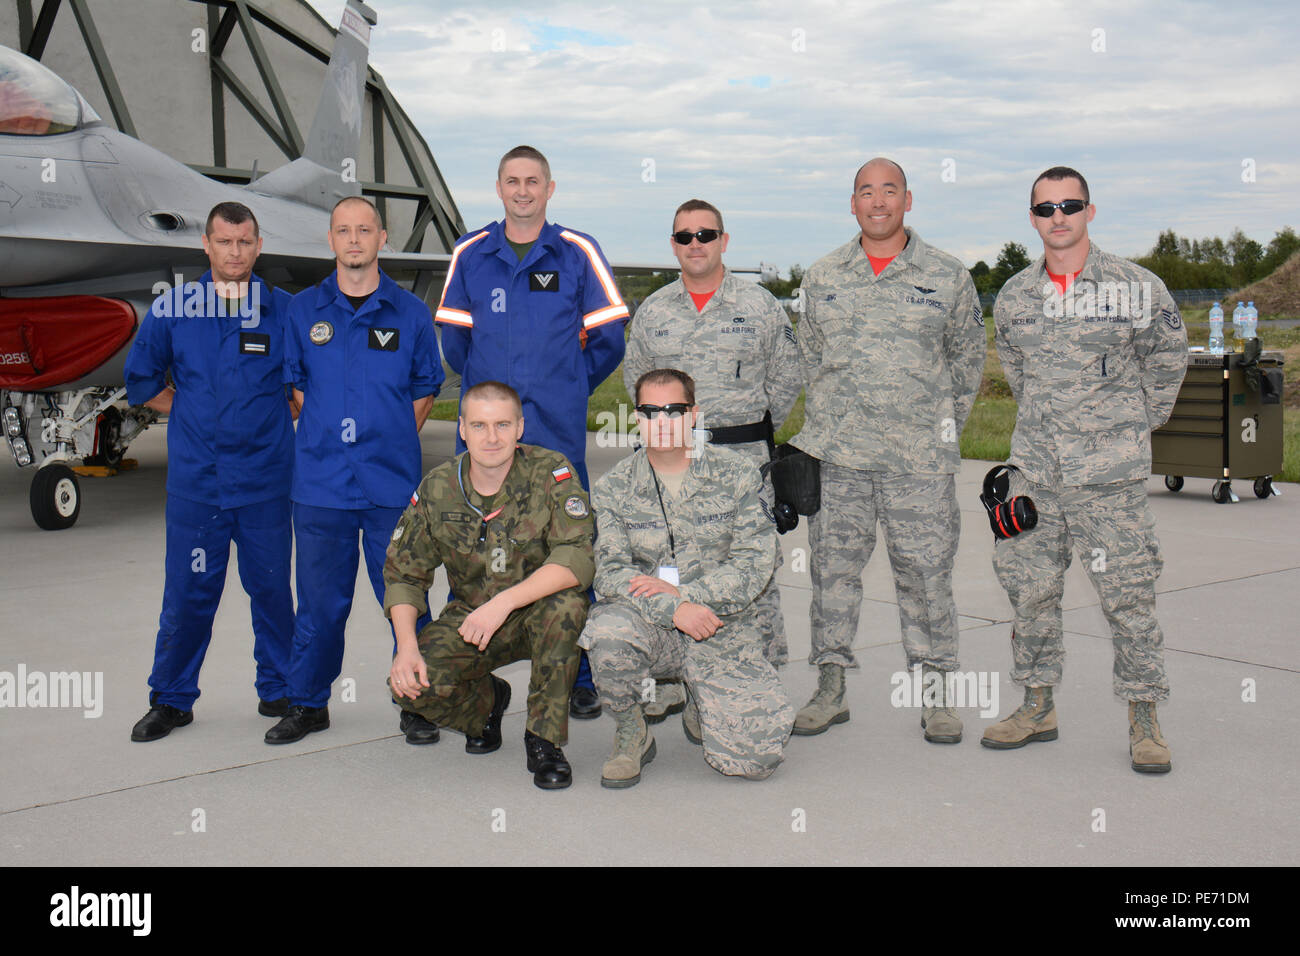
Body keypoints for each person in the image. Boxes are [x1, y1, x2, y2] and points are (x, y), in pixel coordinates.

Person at [983, 166, 1186, 773]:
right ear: (1033, 219)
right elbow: (1020, 376)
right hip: (1037, 479)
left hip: (1110, 483)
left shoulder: (1136, 287)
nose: (1058, 217)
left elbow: (1168, 363)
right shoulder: (1015, 297)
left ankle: (1145, 719)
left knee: (1129, 600)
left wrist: (1126, 429)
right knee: (1031, 596)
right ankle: (1037, 706)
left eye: (1070, 205)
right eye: (1045, 208)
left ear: (1090, 212)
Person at [792, 157, 985, 742]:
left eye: (889, 191)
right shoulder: (823, 277)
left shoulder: (948, 276)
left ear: (908, 200)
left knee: (926, 578)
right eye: (865, 192)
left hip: (918, 465)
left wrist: (932, 433)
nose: (878, 202)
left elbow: (968, 364)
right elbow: (809, 359)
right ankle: (830, 687)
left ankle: (936, 693)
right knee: (831, 576)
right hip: (840, 459)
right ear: (852, 204)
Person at [435, 144, 629, 720]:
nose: (523, 191)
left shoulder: (576, 252)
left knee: (569, 553)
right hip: (487, 441)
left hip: (556, 434)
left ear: (550, 189)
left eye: (533, 182)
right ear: (498, 188)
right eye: (512, 181)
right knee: (472, 554)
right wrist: (487, 402)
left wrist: (567, 385)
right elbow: (454, 343)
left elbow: (610, 337)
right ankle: (468, 673)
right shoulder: (470, 253)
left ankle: (580, 673)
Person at [266, 196, 443, 744]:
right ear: (331, 240)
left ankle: (417, 701)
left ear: (381, 238)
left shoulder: (410, 312)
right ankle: (308, 703)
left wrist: (384, 438)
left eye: (364, 230)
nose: (354, 240)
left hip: (390, 486)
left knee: (406, 595)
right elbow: (296, 391)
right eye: (343, 231)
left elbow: (424, 390)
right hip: (319, 487)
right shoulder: (302, 311)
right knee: (319, 604)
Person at [622, 199, 801, 720]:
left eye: (706, 234)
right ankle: (670, 676)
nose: (695, 244)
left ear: (725, 240)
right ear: (673, 245)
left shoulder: (761, 305)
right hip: (671, 463)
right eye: (684, 236)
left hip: (741, 460)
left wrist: (750, 434)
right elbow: (637, 379)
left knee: (751, 568)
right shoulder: (653, 311)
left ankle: (757, 676)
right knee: (666, 564)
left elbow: (787, 380)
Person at [124, 201, 295, 741]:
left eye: (245, 242)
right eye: (225, 242)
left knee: (271, 592)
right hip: (199, 485)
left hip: (266, 482)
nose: (235, 253)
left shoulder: (284, 311)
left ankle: (282, 689)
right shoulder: (174, 309)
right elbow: (143, 382)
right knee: (189, 593)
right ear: (206, 245)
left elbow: (300, 390)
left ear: (259, 245)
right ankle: (172, 699)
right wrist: (197, 410)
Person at [580, 369, 793, 788]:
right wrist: (675, 608)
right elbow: (610, 573)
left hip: (720, 626)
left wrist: (689, 595)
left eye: (674, 410)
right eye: (650, 411)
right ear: (637, 418)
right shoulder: (613, 488)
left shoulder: (737, 474)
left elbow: (755, 563)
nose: (662, 421)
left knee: (757, 759)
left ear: (693, 415)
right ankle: (631, 731)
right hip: (654, 625)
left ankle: (702, 698)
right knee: (608, 632)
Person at [385, 381, 594, 789]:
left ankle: (544, 740)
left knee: (567, 606)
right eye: (479, 426)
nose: (492, 437)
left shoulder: (552, 473)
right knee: (411, 688)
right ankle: (486, 707)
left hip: (538, 609)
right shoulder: (438, 487)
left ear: (520, 427)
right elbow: (403, 573)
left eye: (502, 424)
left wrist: (504, 603)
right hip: (471, 617)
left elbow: (577, 559)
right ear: (462, 428)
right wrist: (406, 648)